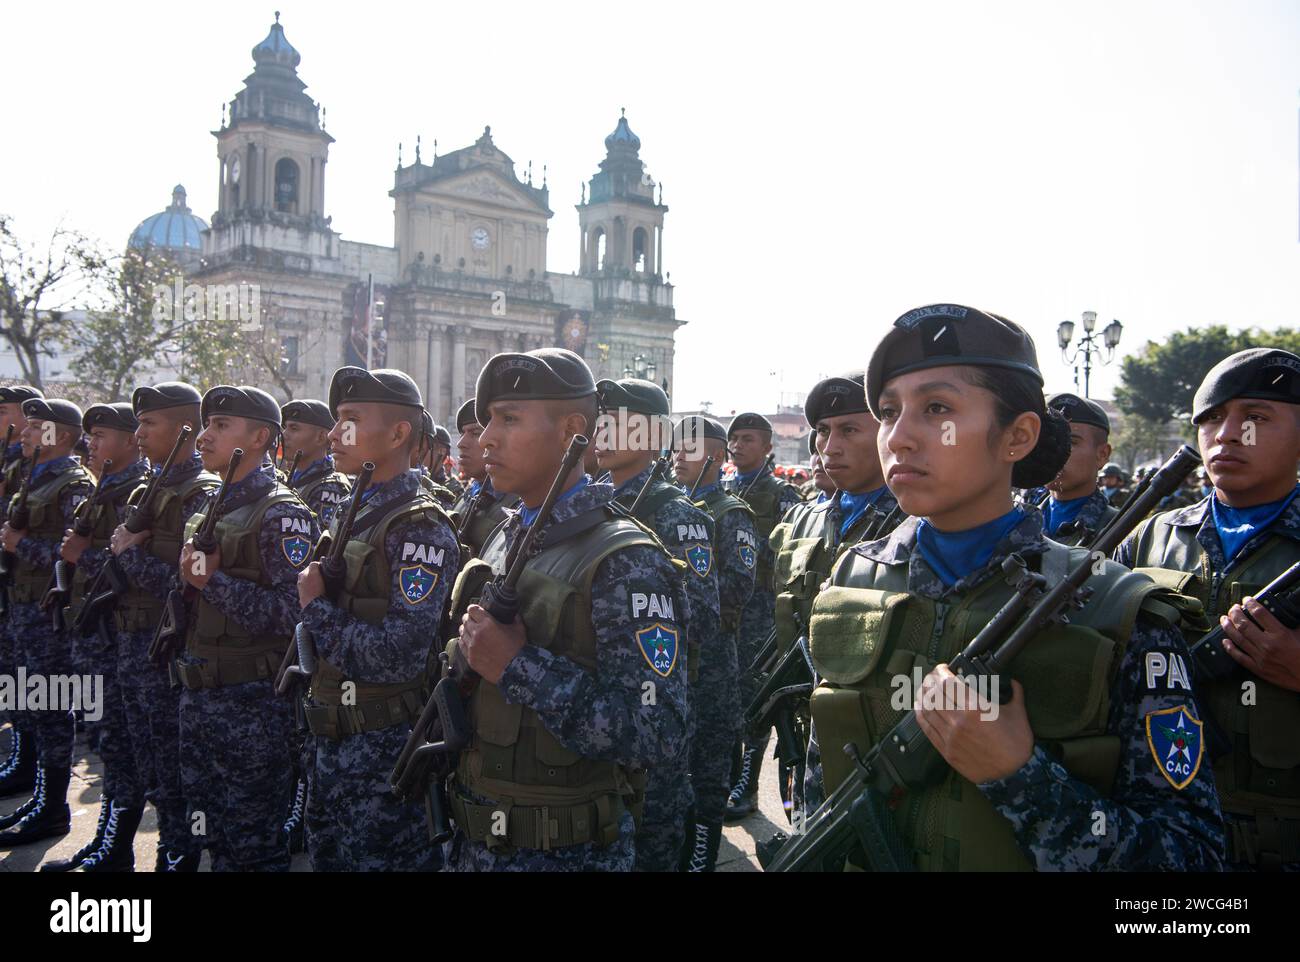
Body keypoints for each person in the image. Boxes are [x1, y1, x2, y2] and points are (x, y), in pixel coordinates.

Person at [803, 303, 1224, 871]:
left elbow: (1191, 871)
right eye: (887, 412)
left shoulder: (1118, 611)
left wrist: (1020, 776)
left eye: (936, 408)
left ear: (1018, 436)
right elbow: (821, 789)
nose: (898, 438)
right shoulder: (853, 579)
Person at [444, 348, 688, 871]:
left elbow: (657, 730)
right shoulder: (507, 535)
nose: (486, 438)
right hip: (479, 836)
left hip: (566, 851)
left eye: (508, 419)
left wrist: (519, 666)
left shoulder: (625, 560)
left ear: (571, 429)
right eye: (489, 421)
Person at [1114, 348, 1300, 870]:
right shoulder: (1149, 538)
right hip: (1164, 833)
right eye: (1213, 418)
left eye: (1257, 417)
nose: (1228, 433)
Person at [120, 384, 318, 871]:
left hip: (251, 702)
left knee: (253, 847)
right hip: (198, 693)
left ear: (259, 437)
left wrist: (212, 582)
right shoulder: (217, 504)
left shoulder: (282, 513)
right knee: (215, 840)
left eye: (220, 426)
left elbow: (294, 616)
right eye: (206, 424)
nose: (204, 436)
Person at [295, 366, 457, 871]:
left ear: (398, 433)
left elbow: (398, 656)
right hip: (333, 738)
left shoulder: (419, 528)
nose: (334, 433)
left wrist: (315, 607)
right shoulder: (352, 508)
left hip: (382, 750)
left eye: (351, 419)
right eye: (337, 419)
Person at [771, 371, 905, 823]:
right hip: (809, 720)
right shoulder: (804, 519)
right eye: (823, 432)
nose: (830, 446)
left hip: (880, 736)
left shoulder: (913, 522)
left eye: (850, 430)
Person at [595, 377, 715, 872]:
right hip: (599, 715)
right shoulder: (592, 505)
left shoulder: (675, 515)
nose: (602, 429)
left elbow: (703, 618)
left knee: (652, 841)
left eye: (617, 421)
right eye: (600, 418)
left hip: (650, 711)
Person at [109, 382, 219, 871]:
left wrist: (131, 555)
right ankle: (165, 848)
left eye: (149, 423)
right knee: (149, 761)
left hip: (172, 652)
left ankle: (182, 852)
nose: (138, 432)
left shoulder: (203, 493)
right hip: (135, 646)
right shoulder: (145, 487)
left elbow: (190, 586)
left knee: (179, 769)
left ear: (183, 430)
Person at [40, 403, 152, 871]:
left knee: (124, 747)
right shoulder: (107, 488)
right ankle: (108, 839)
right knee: (111, 743)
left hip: (117, 637)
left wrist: (80, 555)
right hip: (97, 634)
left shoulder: (137, 495)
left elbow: (124, 574)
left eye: (102, 435)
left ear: (129, 441)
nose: (93, 444)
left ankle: (116, 845)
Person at [0, 398, 94, 847]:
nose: (26, 432)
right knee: (27, 702)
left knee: (52, 706)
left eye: (38, 427)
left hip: (48, 613)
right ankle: (39, 791)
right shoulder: (29, 474)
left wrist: (21, 546)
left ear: (66, 436)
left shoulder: (74, 484)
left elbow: (74, 558)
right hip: (21, 607)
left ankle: (54, 806)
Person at [672, 414, 754, 867]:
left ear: (717, 456)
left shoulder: (731, 515)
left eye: (691, 447)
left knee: (709, 753)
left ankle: (705, 844)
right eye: (676, 447)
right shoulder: (671, 507)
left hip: (714, 657)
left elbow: (738, 588)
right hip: (677, 657)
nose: (679, 456)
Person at [723, 412, 801, 819]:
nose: (737, 445)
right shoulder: (719, 489)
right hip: (727, 613)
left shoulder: (783, 495)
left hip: (762, 615)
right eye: (734, 438)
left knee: (756, 701)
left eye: (748, 439)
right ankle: (727, 774)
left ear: (768, 447)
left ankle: (747, 785)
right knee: (725, 698)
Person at [0, 384, 43, 797]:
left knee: (44, 696)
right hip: (17, 594)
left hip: (43, 606)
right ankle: (22, 759)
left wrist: (21, 544)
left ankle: (38, 778)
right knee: (17, 683)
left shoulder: (65, 478)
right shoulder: (20, 467)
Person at [1039, 393, 1118, 547]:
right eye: (1045, 440)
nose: (1054, 450)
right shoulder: (1020, 521)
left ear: (1102, 455)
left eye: (1070, 442)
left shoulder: (1119, 530)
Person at [450, 397, 516, 559]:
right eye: (462, 433)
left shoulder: (516, 505)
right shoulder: (466, 496)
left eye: (475, 433)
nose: (461, 443)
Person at [280, 399, 351, 526]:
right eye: (285, 427)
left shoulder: (330, 489)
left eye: (294, 428)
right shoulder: (293, 477)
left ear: (321, 437)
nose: (284, 434)